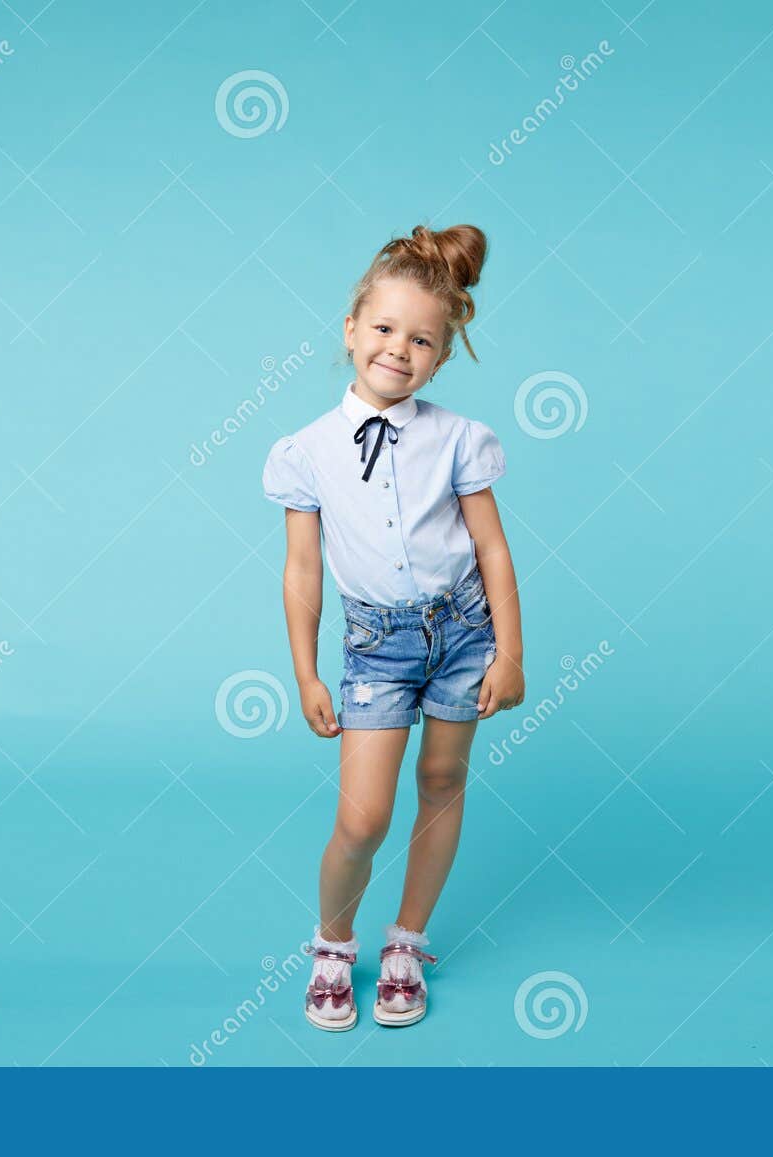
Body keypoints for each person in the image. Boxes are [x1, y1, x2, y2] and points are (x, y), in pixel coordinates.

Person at [262, 223, 526, 1030]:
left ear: (443, 355)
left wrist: (509, 652)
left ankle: (407, 940)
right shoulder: (305, 452)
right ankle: (333, 942)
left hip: (464, 633)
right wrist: (306, 671)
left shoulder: (458, 440)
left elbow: (491, 548)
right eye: (383, 329)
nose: (398, 350)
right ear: (350, 329)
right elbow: (302, 570)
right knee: (363, 816)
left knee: (443, 783)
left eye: (422, 339)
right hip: (376, 644)